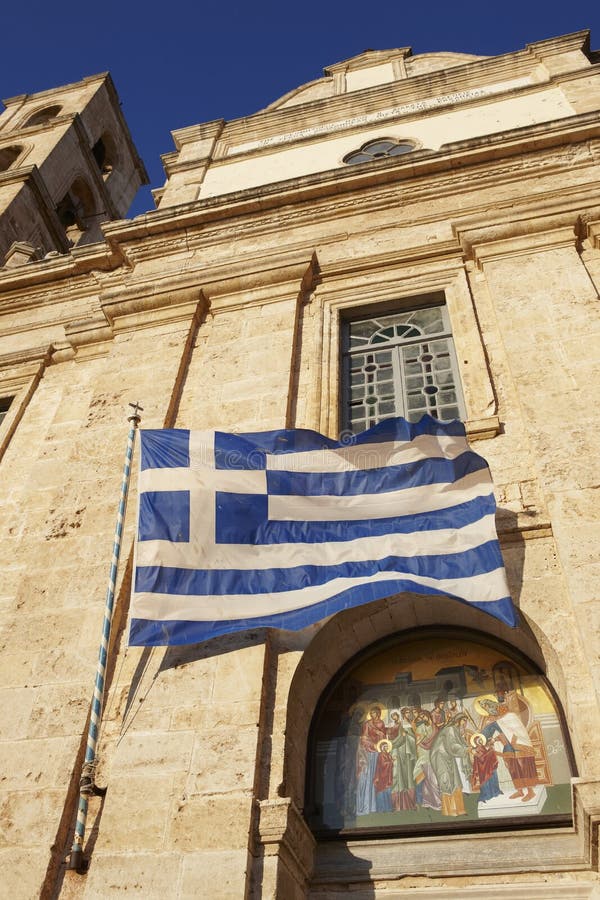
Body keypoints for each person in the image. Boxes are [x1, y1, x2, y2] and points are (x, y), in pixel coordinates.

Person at [480, 696, 538, 802]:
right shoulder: (497, 721)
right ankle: (520, 790)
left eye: (490, 709)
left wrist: (495, 722)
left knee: (523, 766)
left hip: (519, 744)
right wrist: (492, 740)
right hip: (508, 746)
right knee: (513, 768)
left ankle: (531, 792)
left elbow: (515, 730)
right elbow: (501, 732)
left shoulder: (510, 716)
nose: (490, 713)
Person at [429, 714, 472, 816]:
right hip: (441, 757)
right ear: (458, 720)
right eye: (463, 720)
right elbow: (452, 745)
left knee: (456, 782)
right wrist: (465, 750)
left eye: (466, 721)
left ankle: (459, 809)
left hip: (448, 757)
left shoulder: (455, 730)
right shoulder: (451, 729)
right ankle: (450, 811)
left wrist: (467, 748)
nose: (465, 723)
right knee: (447, 782)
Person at [356, 706, 387, 815]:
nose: (373, 714)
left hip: (377, 752)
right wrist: (371, 743)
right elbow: (363, 737)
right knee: (367, 775)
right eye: (371, 713)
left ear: (378, 713)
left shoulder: (381, 723)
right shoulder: (367, 724)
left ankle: (374, 806)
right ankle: (365, 806)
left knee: (376, 777)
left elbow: (384, 738)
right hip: (368, 752)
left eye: (374, 713)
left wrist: (381, 734)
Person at [387, 711, 417, 810]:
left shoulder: (404, 725)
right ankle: (397, 804)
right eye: (392, 716)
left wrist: (392, 744)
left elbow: (408, 738)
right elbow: (391, 737)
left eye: (395, 715)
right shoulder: (391, 726)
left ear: (398, 716)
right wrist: (391, 744)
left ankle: (409, 803)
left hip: (404, 752)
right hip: (395, 752)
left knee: (406, 776)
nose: (394, 717)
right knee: (396, 775)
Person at [470, 732, 503, 803]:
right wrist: (490, 751)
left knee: (493, 778)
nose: (481, 741)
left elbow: (486, 755)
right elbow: (482, 758)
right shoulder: (477, 749)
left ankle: (495, 792)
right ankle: (486, 795)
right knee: (486, 781)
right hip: (483, 769)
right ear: (476, 742)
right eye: (479, 740)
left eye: (481, 739)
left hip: (489, 766)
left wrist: (491, 750)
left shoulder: (483, 747)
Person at [373, 740, 394, 812]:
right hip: (382, 777)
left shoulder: (388, 754)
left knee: (387, 792)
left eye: (387, 747)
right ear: (382, 748)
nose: (386, 748)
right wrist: (391, 762)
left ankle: (388, 808)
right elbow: (383, 764)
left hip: (387, 776)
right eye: (385, 747)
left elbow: (389, 763)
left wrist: (391, 761)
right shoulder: (381, 755)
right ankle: (382, 808)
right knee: (382, 792)